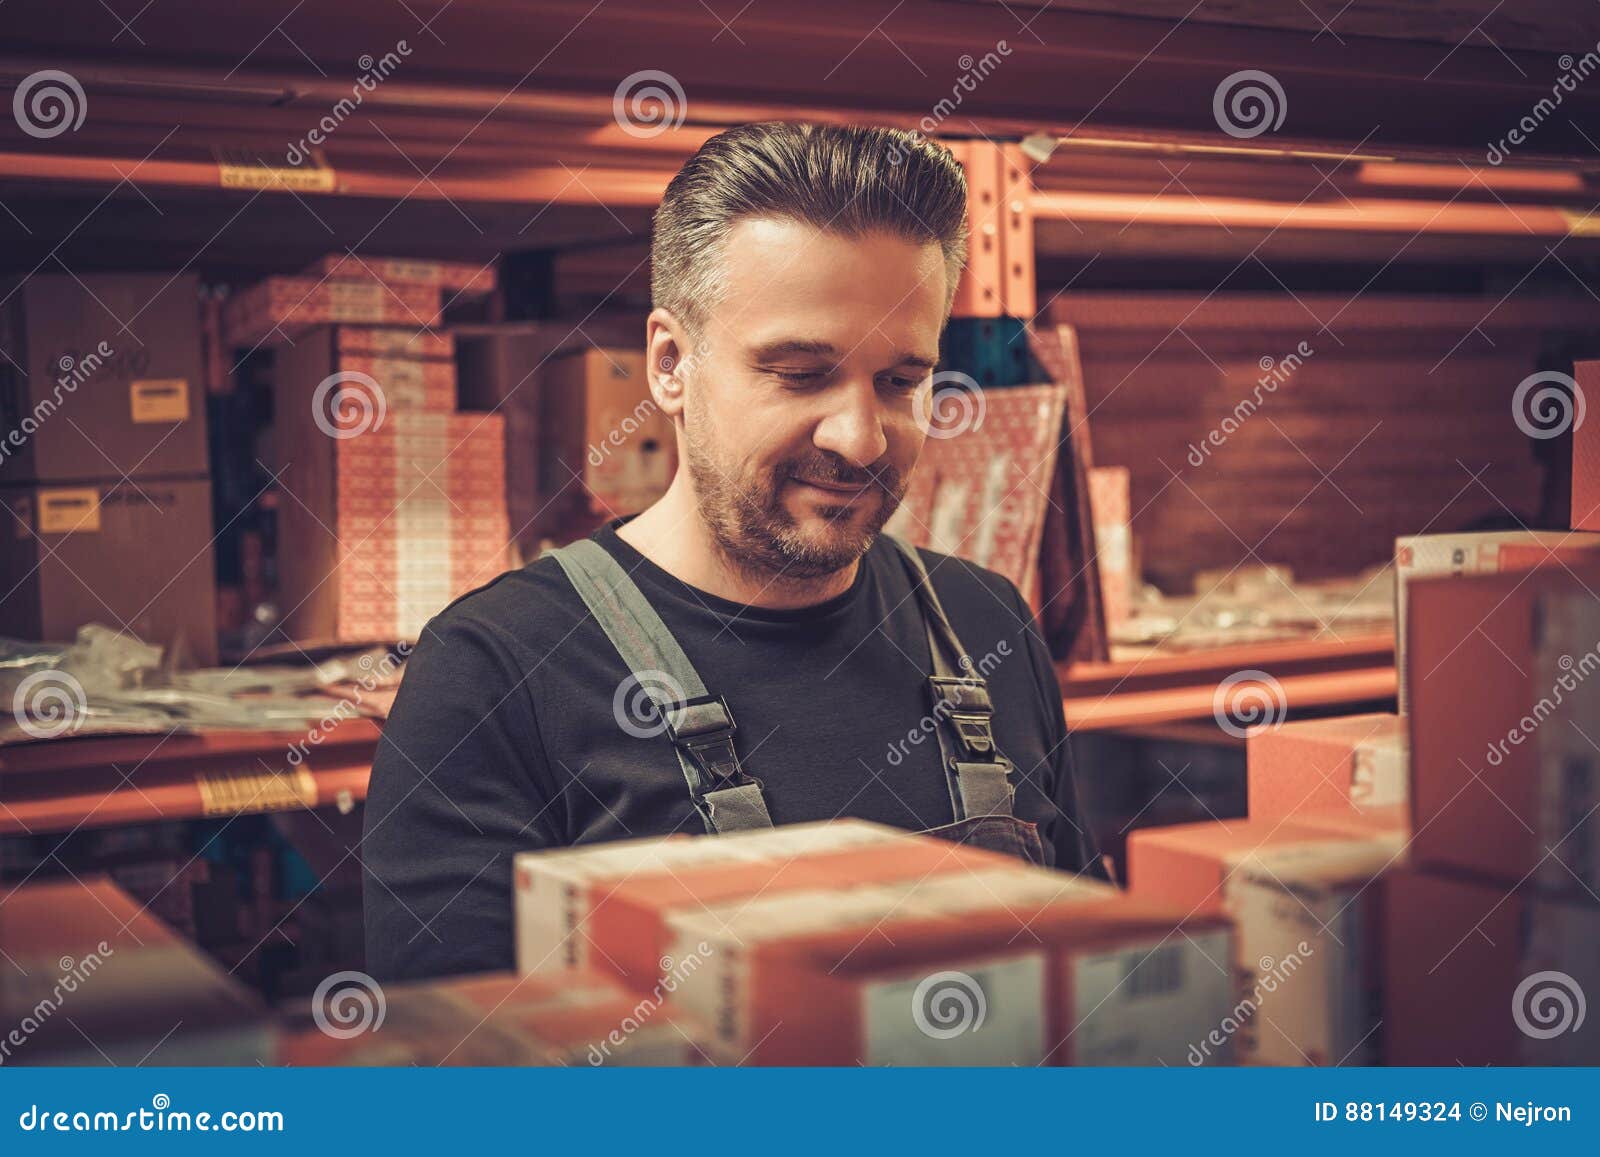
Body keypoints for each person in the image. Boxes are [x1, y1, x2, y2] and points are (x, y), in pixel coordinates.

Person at [363, 121, 1104, 981]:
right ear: (671, 364)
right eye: (801, 374)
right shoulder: (493, 674)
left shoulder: (986, 624)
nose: (862, 439)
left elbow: (1081, 992)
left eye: (901, 382)